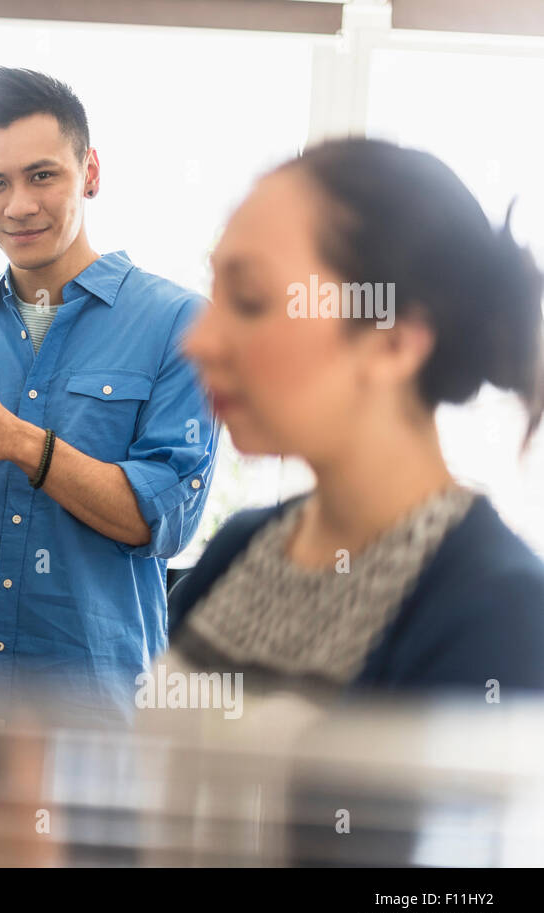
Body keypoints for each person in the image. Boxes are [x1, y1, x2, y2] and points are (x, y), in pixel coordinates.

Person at [0, 67, 217, 726]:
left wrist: (19, 441)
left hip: (89, 715)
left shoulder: (181, 326)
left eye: (42, 175)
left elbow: (163, 519)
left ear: (91, 172)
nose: (17, 205)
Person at [164, 137, 544, 716]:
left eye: (249, 299)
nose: (197, 340)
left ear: (393, 342)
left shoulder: (499, 608)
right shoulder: (241, 546)